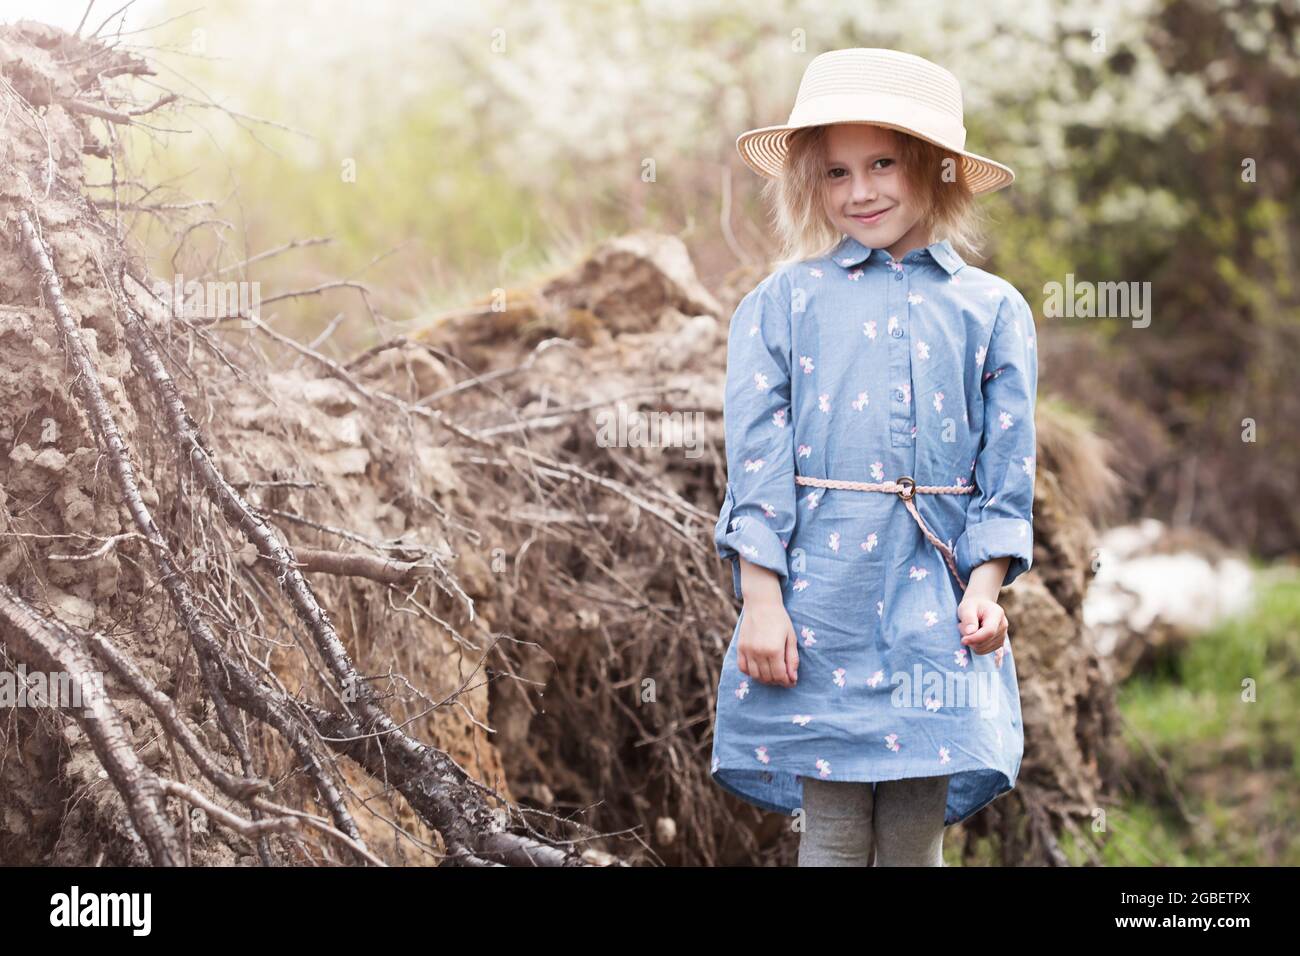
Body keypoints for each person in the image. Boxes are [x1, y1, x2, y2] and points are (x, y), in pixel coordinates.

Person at [710, 48, 1039, 867]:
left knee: (912, 835)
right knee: (834, 830)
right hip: (821, 602)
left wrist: (987, 589)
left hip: (938, 603)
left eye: (883, 163)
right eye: (836, 172)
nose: (860, 191)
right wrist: (761, 600)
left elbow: (1008, 470)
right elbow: (756, 465)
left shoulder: (993, 309)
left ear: (936, 168)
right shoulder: (779, 306)